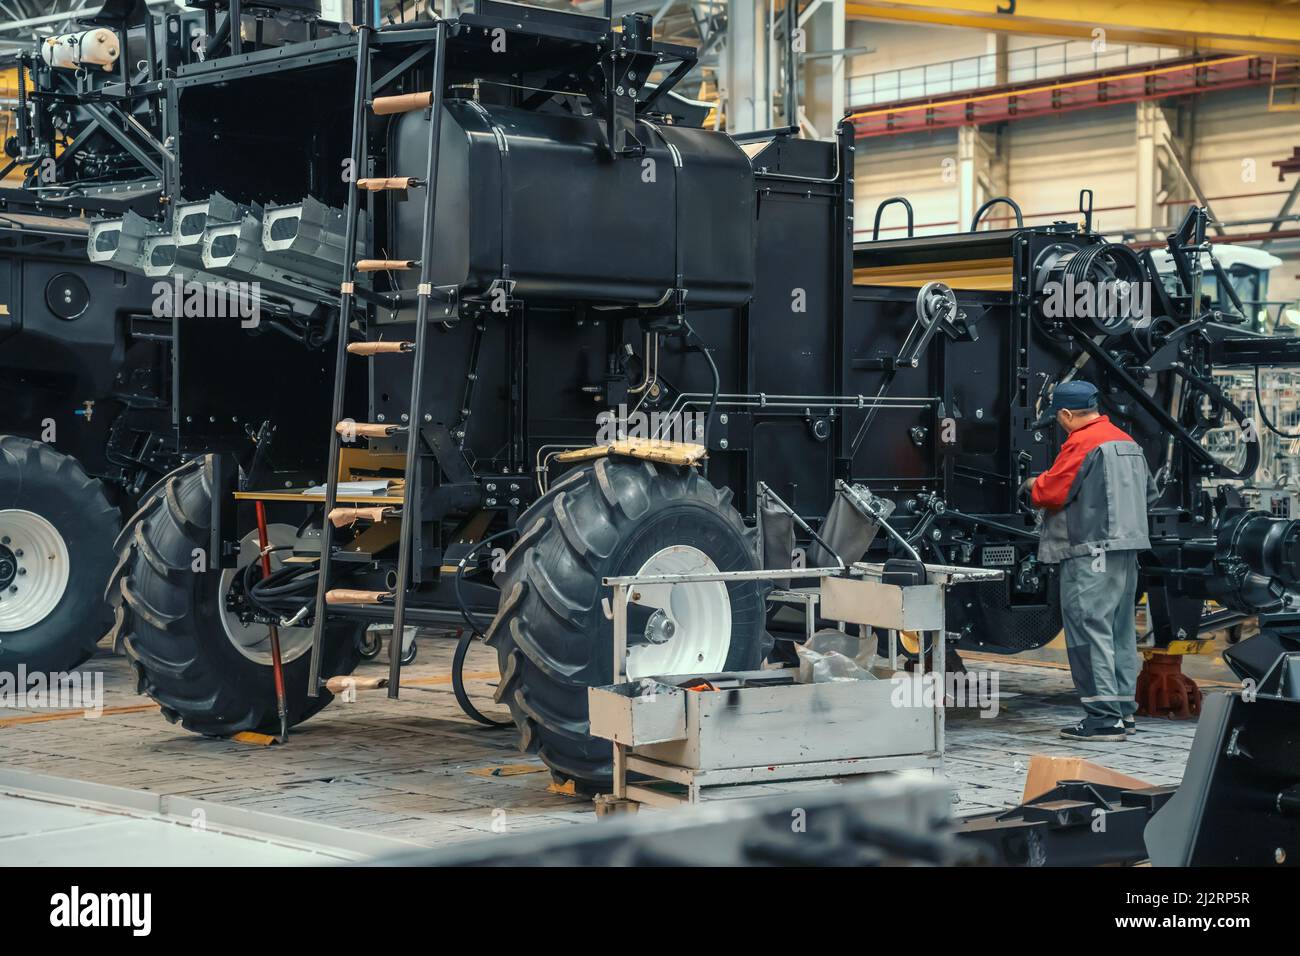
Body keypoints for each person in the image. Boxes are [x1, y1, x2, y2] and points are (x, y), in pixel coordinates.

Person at [1022, 380, 1157, 741]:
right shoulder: (1127, 442)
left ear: (1066, 414)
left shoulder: (1083, 443)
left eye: (1059, 418)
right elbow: (1151, 494)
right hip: (1127, 551)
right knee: (1119, 630)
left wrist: (1030, 483)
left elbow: (1050, 492)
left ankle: (1102, 718)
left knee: (1088, 629)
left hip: (1090, 550)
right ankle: (1123, 712)